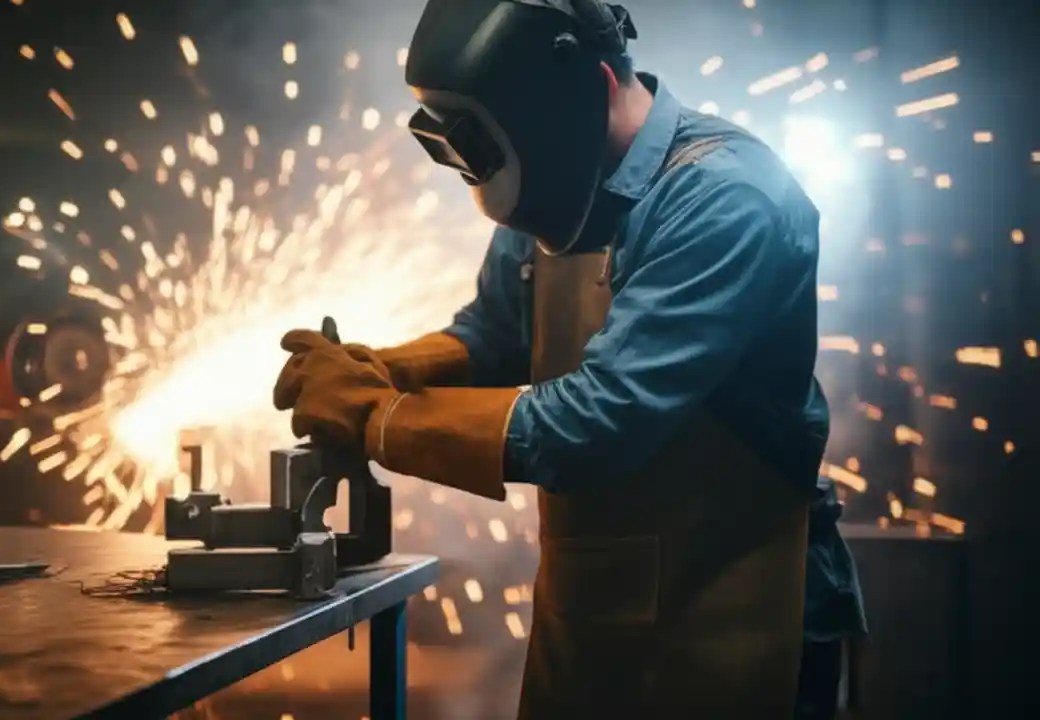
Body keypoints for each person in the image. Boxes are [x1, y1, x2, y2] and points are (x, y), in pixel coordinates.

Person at [274, 1, 865, 717]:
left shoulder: (725, 199)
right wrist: (384, 368)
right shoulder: (567, 190)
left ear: (591, 91)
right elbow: (496, 335)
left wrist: (378, 416)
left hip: (736, 619)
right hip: (595, 618)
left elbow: (600, 422)